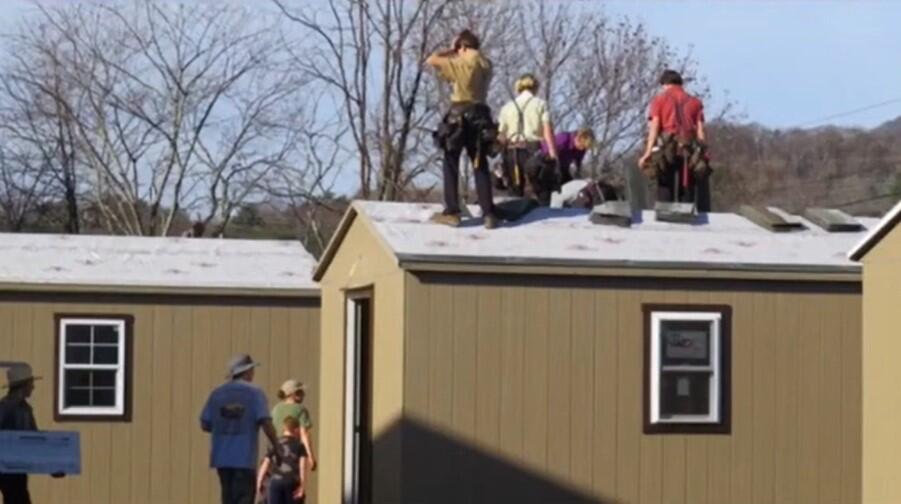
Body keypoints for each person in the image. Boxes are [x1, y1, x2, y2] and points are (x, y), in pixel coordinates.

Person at [426, 29, 499, 229]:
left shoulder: (461, 62)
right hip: (482, 115)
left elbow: (431, 60)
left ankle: (452, 211)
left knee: (450, 161)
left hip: (459, 114)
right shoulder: (486, 64)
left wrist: (450, 50)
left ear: (463, 47)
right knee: (479, 163)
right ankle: (488, 213)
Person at [201, 354, 281, 504]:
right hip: (244, 458)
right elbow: (265, 422)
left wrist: (226, 425)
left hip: (222, 458)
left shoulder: (217, 394)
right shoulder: (255, 393)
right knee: (244, 498)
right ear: (248, 371)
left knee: (228, 498)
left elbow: (205, 424)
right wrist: (277, 446)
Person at [637, 69, 711, 211]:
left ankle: (665, 217)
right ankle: (688, 218)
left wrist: (647, 153)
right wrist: (703, 153)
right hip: (689, 149)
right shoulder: (696, 102)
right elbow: (701, 131)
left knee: (665, 185)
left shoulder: (659, 100)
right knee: (687, 185)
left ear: (665, 84)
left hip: (666, 148)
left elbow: (655, 127)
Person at [0, 363, 64, 504]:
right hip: (7, 471)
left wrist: (53, 467)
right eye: (31, 383)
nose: (33, 387)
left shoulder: (25, 409)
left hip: (18, 471)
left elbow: (36, 441)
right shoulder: (5, 408)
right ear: (23, 386)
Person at [496, 74, 557, 196]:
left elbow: (501, 135)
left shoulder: (507, 107)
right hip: (532, 149)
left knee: (514, 192)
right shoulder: (540, 104)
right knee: (541, 189)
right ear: (535, 87)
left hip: (511, 151)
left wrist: (500, 155)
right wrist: (553, 153)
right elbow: (547, 130)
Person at [527, 128, 595, 205]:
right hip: (544, 164)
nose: (581, 149)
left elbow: (577, 164)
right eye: (581, 145)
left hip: (562, 168)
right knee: (547, 191)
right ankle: (545, 204)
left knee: (570, 187)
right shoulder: (563, 139)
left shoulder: (581, 149)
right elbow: (546, 153)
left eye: (584, 148)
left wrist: (579, 178)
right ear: (578, 138)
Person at [256, 416, 309, 504]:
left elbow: (266, 462)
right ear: (296, 430)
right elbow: (302, 466)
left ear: (284, 428)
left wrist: (259, 481)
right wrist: (302, 486)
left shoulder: (275, 443)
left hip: (276, 481)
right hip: (291, 481)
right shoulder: (300, 446)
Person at [271, 379, 316, 472]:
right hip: (293, 452)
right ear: (293, 394)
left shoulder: (275, 410)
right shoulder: (300, 410)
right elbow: (304, 434)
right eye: (301, 392)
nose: (304, 394)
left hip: (276, 452)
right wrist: (310, 456)